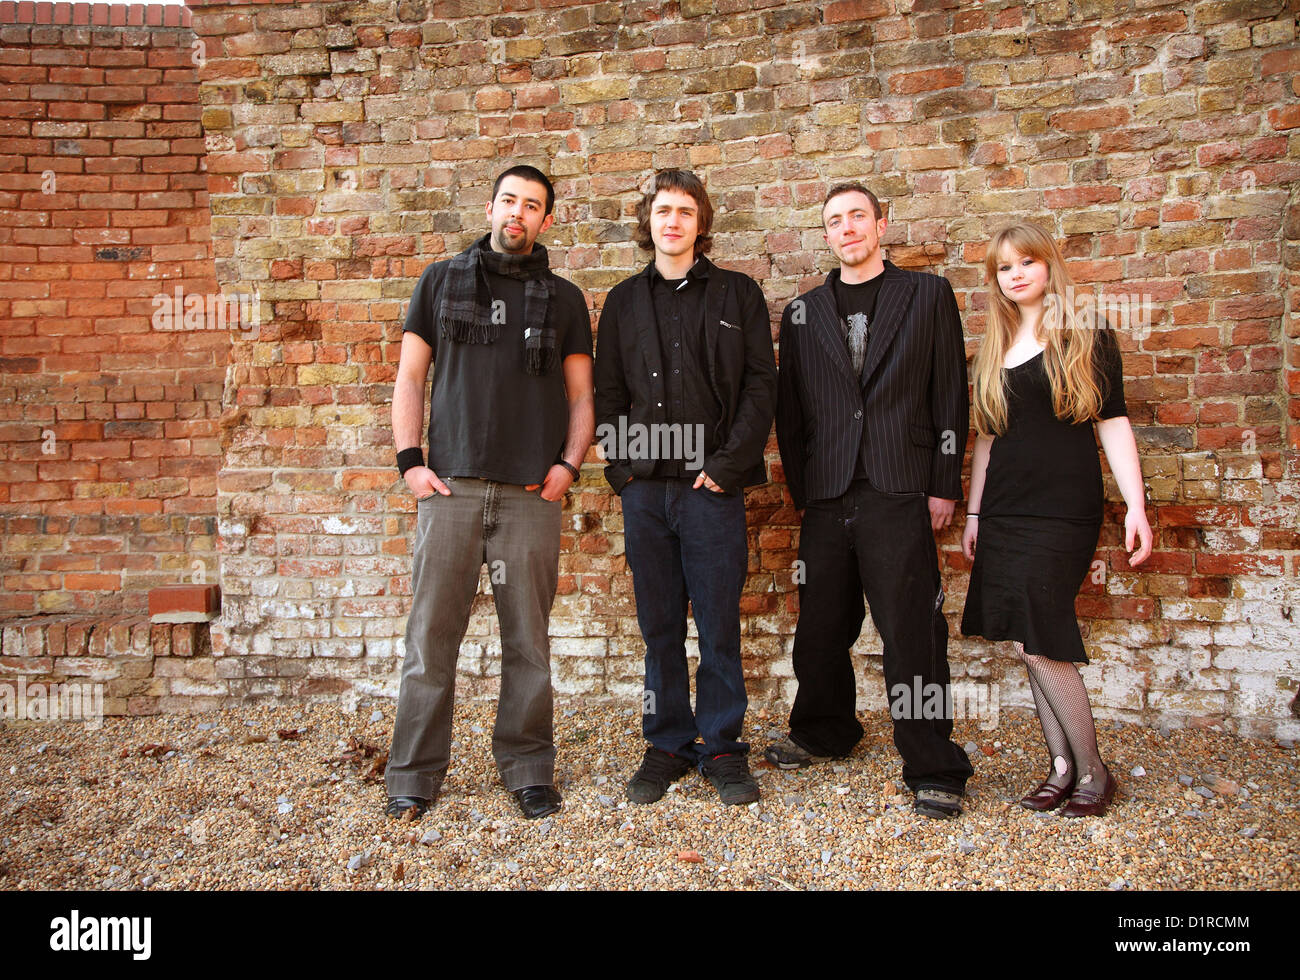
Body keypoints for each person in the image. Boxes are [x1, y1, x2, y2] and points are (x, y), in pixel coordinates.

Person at [384, 165, 594, 822]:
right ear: (491, 206)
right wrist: (409, 463)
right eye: (509, 200)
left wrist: (569, 463)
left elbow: (583, 396)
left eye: (533, 206)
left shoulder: (563, 298)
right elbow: (410, 379)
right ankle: (414, 775)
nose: (518, 213)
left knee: (528, 641)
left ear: (545, 221)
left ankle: (529, 769)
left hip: (531, 495)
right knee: (431, 639)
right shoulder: (440, 282)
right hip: (450, 490)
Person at [769, 182, 973, 819]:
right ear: (826, 234)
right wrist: (805, 492)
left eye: (859, 216)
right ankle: (825, 730)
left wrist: (944, 484)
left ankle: (933, 762)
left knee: (912, 631)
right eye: (835, 220)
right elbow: (792, 412)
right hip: (828, 492)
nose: (848, 228)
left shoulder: (927, 295)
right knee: (821, 628)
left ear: (882, 223)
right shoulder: (804, 313)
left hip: (898, 486)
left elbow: (950, 392)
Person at [593, 169, 777, 805]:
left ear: (702, 223)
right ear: (648, 222)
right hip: (646, 491)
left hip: (711, 490)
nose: (672, 221)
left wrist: (727, 467)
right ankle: (667, 744)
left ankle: (723, 747)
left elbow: (761, 387)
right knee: (660, 625)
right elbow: (608, 393)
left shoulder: (737, 295)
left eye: (685, 212)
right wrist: (620, 472)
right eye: (662, 211)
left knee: (720, 624)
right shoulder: (621, 302)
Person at [961, 222, 1152, 818]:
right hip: (1004, 510)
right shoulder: (993, 346)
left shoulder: (1085, 333)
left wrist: (1137, 507)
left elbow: (1112, 422)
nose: (1016, 274)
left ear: (1048, 265)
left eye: (1026, 262)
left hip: (1064, 508)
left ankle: (1093, 770)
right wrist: (973, 510)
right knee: (1025, 641)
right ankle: (1061, 765)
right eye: (1003, 268)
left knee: (1044, 639)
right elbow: (987, 439)